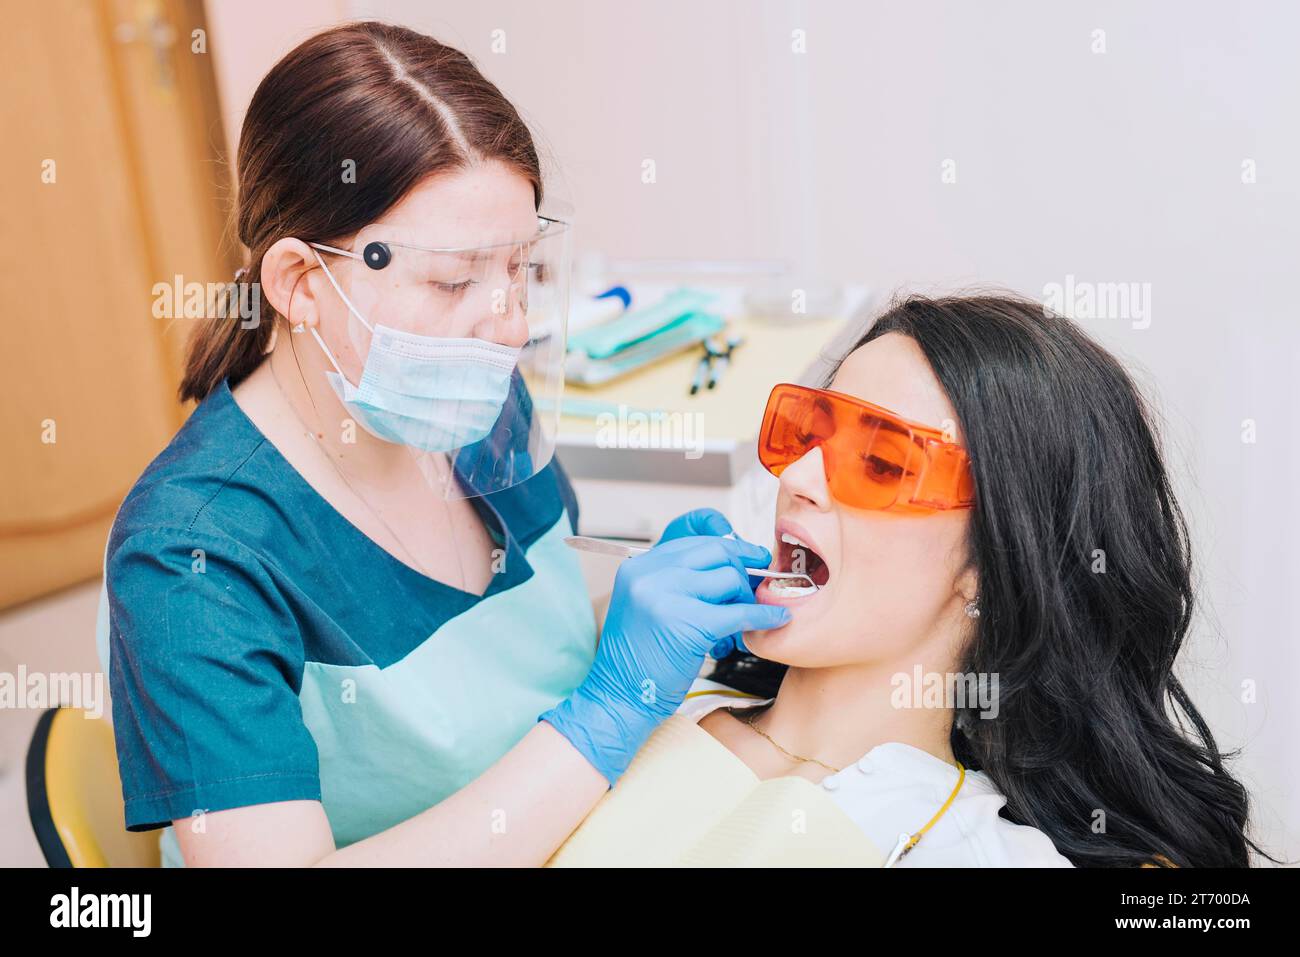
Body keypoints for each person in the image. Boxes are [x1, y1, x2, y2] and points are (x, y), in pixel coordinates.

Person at [97, 21, 787, 867]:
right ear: (300, 284)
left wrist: (646, 617)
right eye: (455, 280)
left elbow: (504, 658)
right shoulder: (192, 556)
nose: (509, 327)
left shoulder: (473, 400)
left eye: (521, 270)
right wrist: (606, 709)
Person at [546, 294, 1275, 868]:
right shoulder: (631, 703)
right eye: (809, 432)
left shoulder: (979, 852)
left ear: (991, 560)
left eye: (882, 462)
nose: (796, 478)